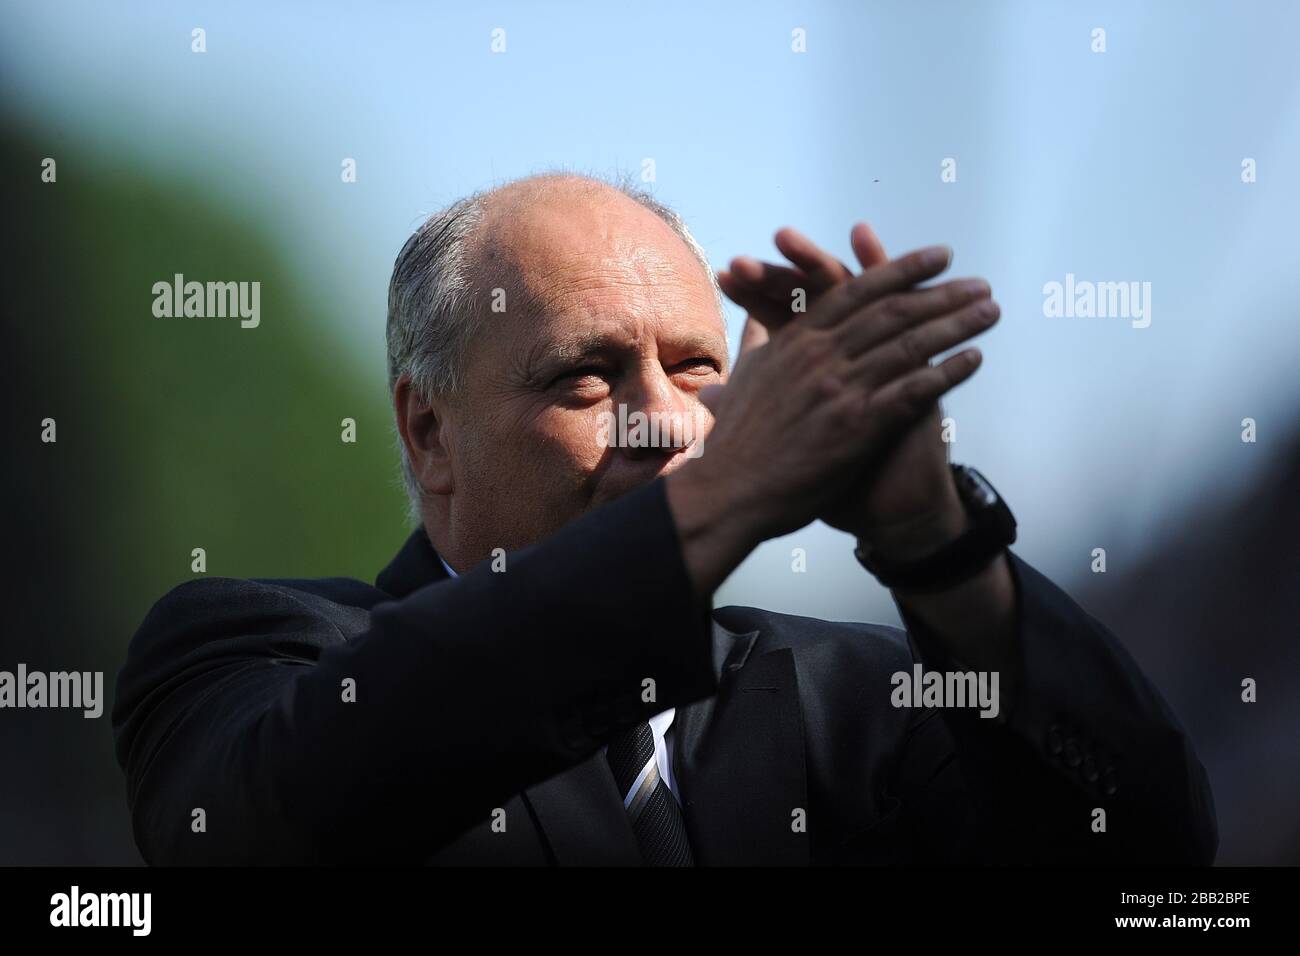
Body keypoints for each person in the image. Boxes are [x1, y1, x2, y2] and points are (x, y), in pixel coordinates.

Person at [113, 173, 1217, 865]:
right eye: (588, 377)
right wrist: (726, 489)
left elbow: (1153, 862)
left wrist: (935, 541)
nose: (666, 423)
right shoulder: (256, 654)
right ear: (428, 430)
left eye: (698, 371)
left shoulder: (867, 700)